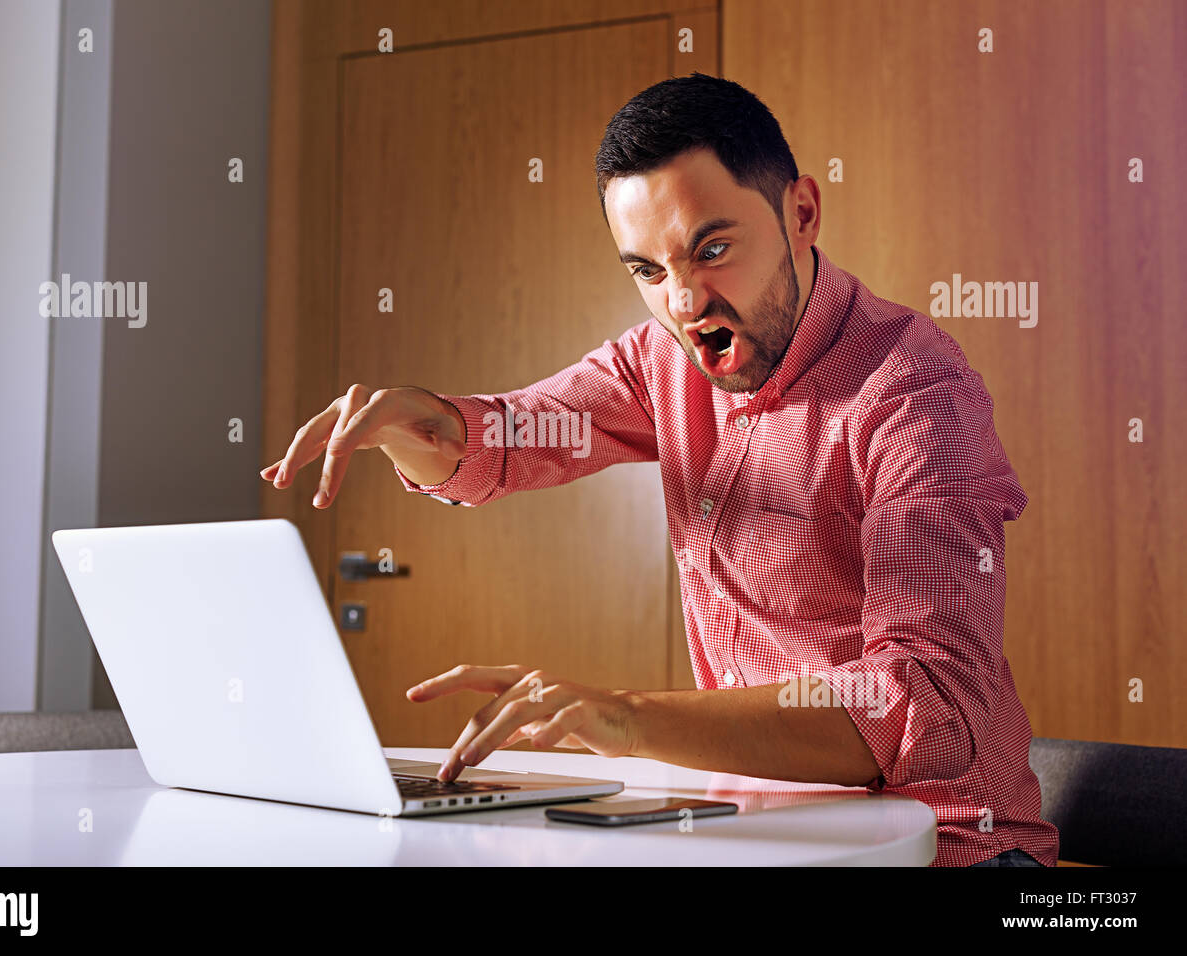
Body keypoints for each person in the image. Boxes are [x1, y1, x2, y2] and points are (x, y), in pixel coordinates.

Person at [262, 73, 1057, 868]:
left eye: (711, 250)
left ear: (802, 213)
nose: (683, 302)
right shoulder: (663, 361)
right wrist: (423, 423)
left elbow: (928, 705)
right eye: (646, 270)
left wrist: (629, 718)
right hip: (768, 830)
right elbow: (510, 438)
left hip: (946, 847)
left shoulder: (916, 394)